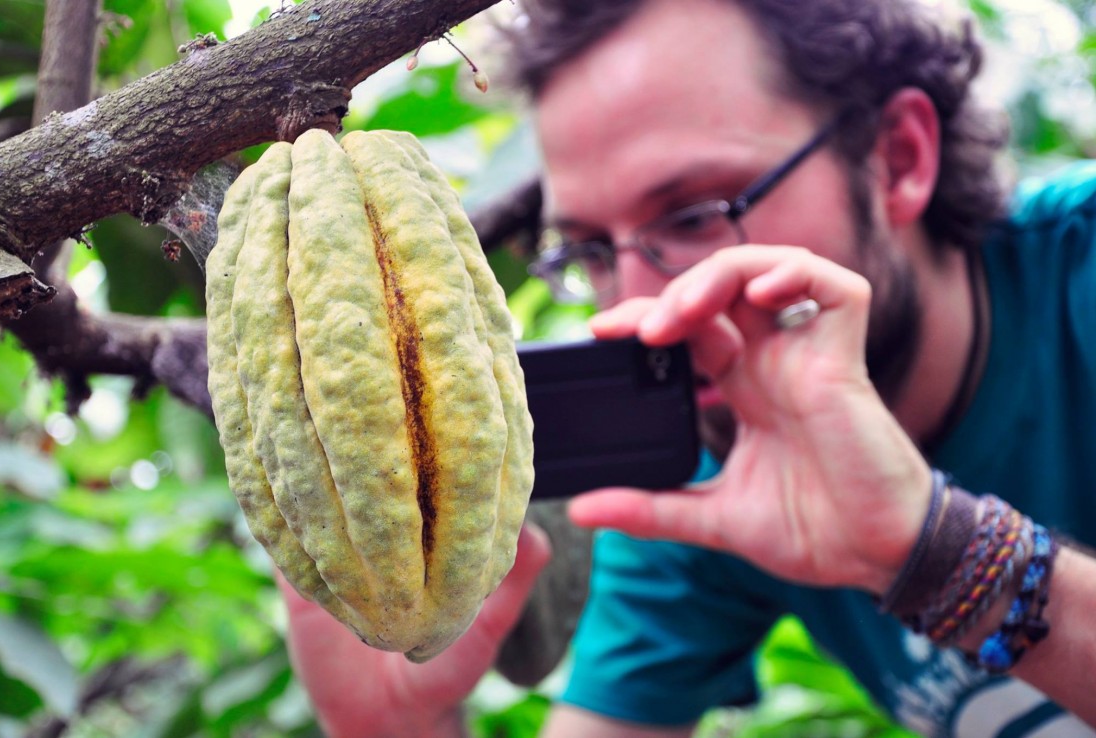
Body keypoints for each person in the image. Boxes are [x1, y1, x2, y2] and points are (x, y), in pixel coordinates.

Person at [277, 0, 1096, 735]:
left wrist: (939, 552)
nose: (636, 310)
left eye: (698, 213)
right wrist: (390, 730)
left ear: (899, 158)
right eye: (591, 251)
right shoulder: (718, 466)